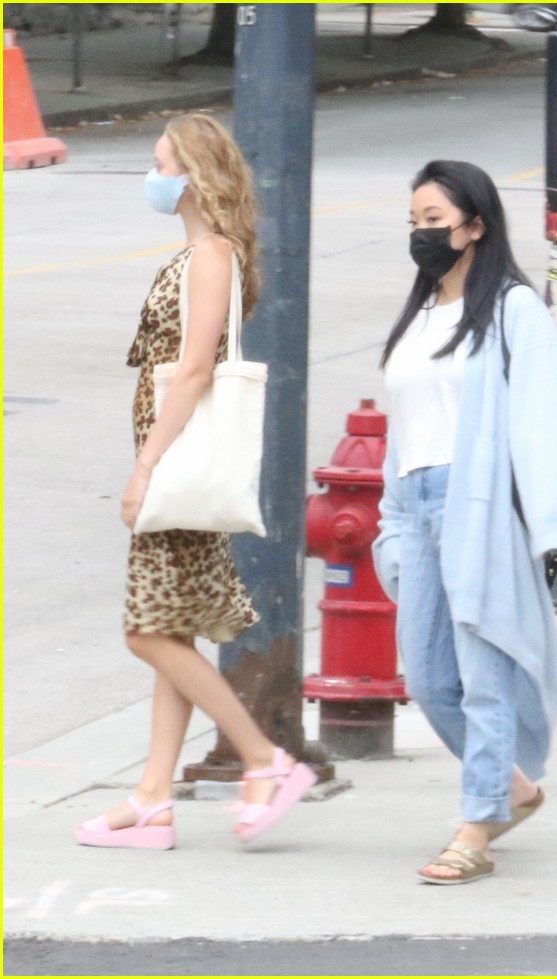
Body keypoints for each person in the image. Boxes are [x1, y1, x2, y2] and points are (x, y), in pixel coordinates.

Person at [75, 114, 315, 852]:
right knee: (170, 629)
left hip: (179, 465)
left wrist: (145, 466)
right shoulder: (199, 253)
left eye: (161, 164)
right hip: (180, 461)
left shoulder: (211, 255)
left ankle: (263, 758)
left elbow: (195, 370)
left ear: (193, 176)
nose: (153, 178)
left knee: (147, 631)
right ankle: (153, 797)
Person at [373, 160, 557, 885]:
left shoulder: (512, 309)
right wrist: (392, 523)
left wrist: (548, 530)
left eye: (434, 220)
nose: (421, 233)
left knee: (485, 672)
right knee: (430, 677)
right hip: (418, 506)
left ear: (475, 226)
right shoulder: (420, 314)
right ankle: (511, 787)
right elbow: (403, 428)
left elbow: (543, 418)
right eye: (414, 221)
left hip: (481, 503)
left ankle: (477, 826)